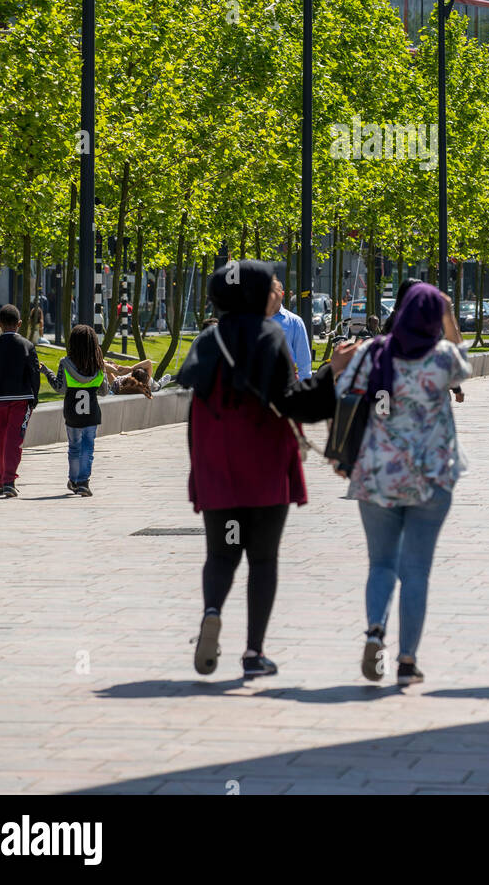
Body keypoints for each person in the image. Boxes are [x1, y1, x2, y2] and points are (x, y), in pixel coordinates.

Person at [178, 262, 356, 679]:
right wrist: (334, 372)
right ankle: (254, 652)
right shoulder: (270, 336)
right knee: (262, 559)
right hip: (264, 465)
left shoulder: (208, 339)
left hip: (217, 466)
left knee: (221, 554)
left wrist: (199, 470)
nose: (277, 291)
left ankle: (211, 612)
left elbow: (195, 407)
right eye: (271, 286)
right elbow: (295, 402)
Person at [336, 284, 471, 688]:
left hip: (378, 474)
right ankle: (407, 660)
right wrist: (448, 316)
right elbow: (464, 364)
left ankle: (375, 630)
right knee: (417, 571)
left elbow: (344, 393)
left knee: (380, 564)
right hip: (431, 477)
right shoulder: (443, 357)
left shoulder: (375, 351)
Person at [0, 303, 41, 497]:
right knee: (14, 440)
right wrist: (34, 397)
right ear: (19, 324)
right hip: (21, 399)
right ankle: (8, 480)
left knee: (0, 439)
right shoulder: (27, 346)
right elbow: (34, 374)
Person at [39, 325, 109, 496]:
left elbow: (60, 388)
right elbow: (104, 391)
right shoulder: (99, 365)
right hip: (92, 414)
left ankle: (74, 480)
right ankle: (84, 482)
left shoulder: (65, 363)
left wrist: (46, 371)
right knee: (88, 449)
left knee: (74, 448)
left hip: (72, 414)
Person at [268, 274, 312, 380]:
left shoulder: (295, 322)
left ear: (282, 294)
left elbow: (304, 362)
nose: (271, 296)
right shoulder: (254, 320)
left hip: (284, 384)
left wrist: (303, 391)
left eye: (274, 291)